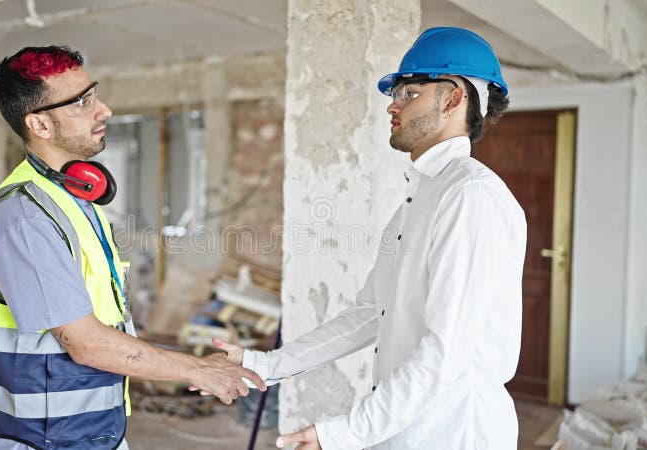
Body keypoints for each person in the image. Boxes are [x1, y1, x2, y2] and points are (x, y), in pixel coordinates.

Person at [211, 27, 527, 450]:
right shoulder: (417, 201)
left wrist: (345, 433)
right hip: (402, 428)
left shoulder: (469, 196)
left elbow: (445, 352)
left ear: (453, 98)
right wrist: (265, 364)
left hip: (452, 433)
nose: (392, 107)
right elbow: (369, 315)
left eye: (410, 93)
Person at [0, 45, 265, 450]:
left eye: (94, 93)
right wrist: (196, 368)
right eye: (81, 103)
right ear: (40, 125)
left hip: (82, 427)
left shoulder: (72, 198)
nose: (103, 110)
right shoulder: (25, 216)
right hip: (40, 436)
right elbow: (83, 341)